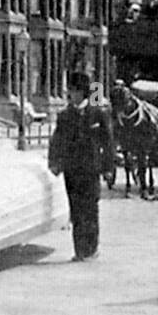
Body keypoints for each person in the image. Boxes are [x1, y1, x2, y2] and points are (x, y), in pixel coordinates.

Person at [49, 72, 114, 261]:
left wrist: (108, 168)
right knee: (76, 210)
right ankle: (79, 251)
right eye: (71, 91)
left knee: (91, 209)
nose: (72, 95)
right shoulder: (64, 116)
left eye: (76, 91)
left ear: (84, 93)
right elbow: (57, 141)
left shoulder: (98, 114)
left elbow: (108, 142)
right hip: (72, 170)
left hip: (91, 169)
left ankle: (91, 249)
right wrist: (54, 162)